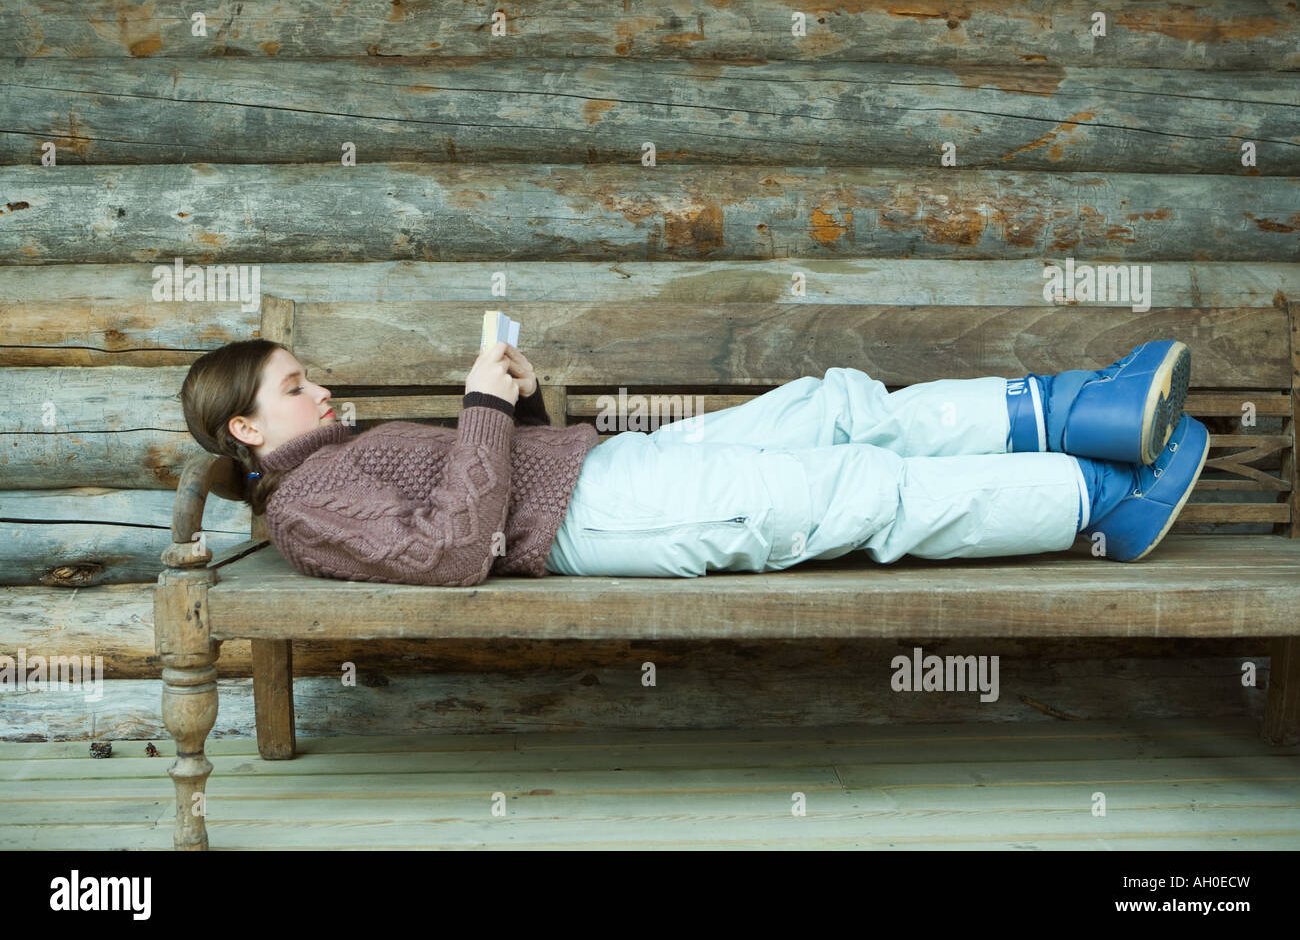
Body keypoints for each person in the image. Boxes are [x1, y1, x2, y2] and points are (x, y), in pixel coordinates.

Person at [178, 338, 1209, 586]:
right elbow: (455, 551)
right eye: (295, 388)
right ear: (248, 431)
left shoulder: (341, 457)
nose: (320, 392)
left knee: (833, 405)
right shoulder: (308, 509)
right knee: (850, 492)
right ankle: (1097, 498)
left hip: (622, 467)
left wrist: (517, 403)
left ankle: (1089, 411)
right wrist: (483, 409)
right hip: (605, 523)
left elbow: (484, 475)